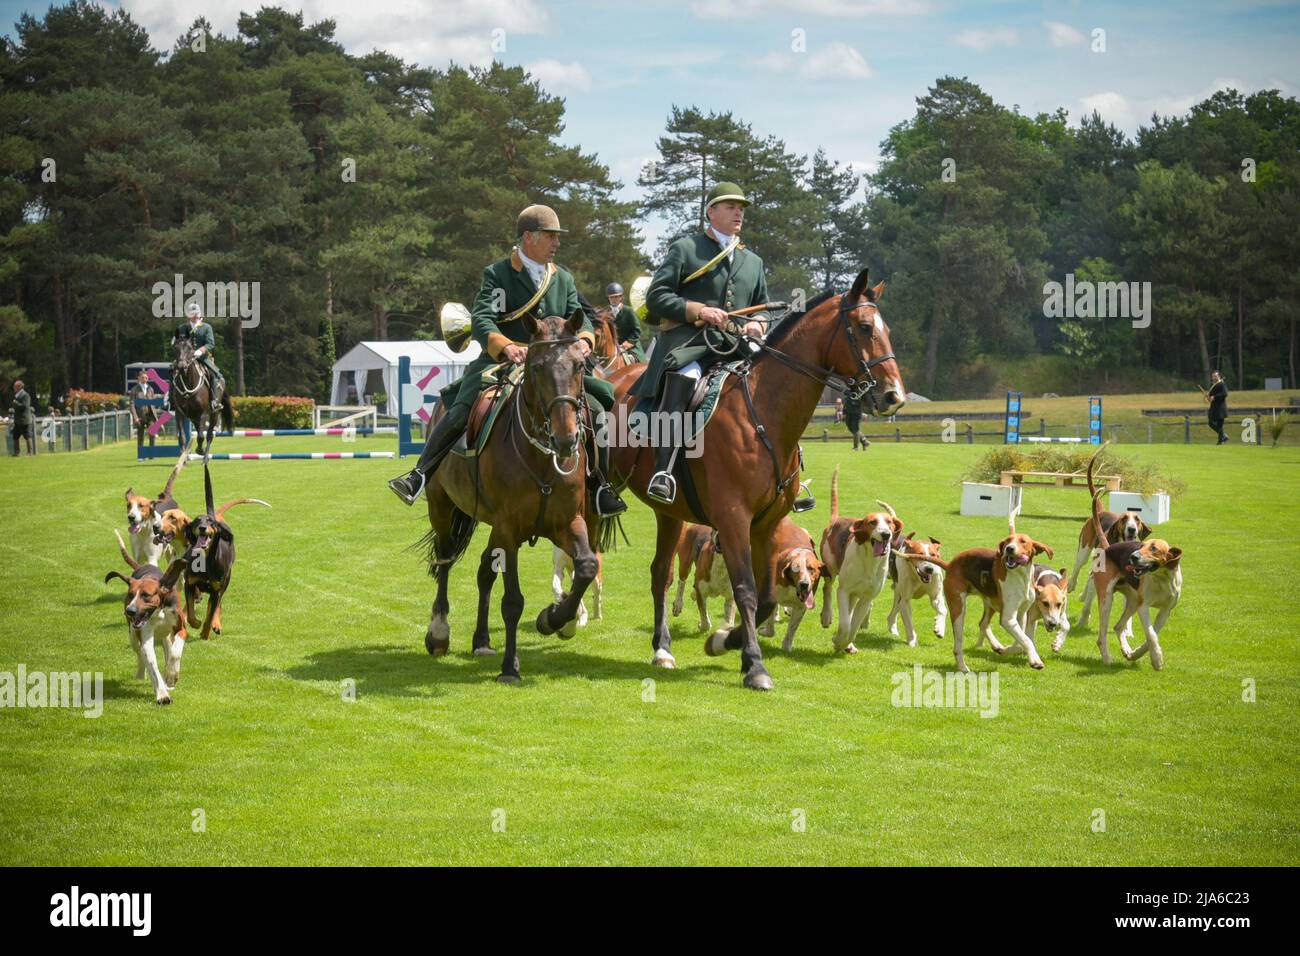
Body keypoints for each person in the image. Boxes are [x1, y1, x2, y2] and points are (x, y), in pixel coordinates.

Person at [387, 204, 627, 516]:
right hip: (503, 360)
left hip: (553, 363)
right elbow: (483, 320)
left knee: (598, 406)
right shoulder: (498, 274)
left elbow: (578, 319)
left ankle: (598, 487)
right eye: (551, 236)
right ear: (529, 237)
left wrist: (584, 339)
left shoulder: (563, 278)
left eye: (557, 237)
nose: (557, 243)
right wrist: (505, 347)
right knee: (461, 408)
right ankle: (420, 474)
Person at [636, 182, 769, 504]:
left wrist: (757, 323)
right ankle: (663, 469)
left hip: (735, 344)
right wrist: (698, 310)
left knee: (776, 380)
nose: (738, 212)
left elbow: (762, 306)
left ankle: (787, 471)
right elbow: (656, 297)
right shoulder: (686, 249)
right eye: (730, 206)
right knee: (686, 377)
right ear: (711, 212)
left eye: (741, 208)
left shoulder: (753, 261)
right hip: (691, 341)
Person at [168, 302, 224, 414]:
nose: (195, 316)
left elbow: (210, 344)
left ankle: (214, 401)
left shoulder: (206, 327)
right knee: (171, 371)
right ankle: (171, 401)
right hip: (184, 358)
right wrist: (174, 343)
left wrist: (200, 351)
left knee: (214, 374)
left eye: (197, 314)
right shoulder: (182, 328)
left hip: (202, 358)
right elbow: (176, 341)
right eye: (192, 314)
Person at [605, 282, 645, 362]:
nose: (613, 300)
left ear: (621, 297)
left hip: (631, 348)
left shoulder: (628, 311)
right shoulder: (606, 312)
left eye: (616, 297)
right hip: (612, 349)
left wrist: (625, 345)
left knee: (633, 363)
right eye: (611, 297)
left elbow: (637, 331)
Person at [129, 370, 158, 449]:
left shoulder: (150, 389)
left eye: (146, 378)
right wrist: (135, 417)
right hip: (140, 416)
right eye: (143, 377)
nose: (145, 379)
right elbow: (132, 404)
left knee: (152, 435)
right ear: (138, 378)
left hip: (150, 416)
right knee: (140, 436)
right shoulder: (134, 389)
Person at [9, 379, 34, 455]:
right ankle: (17, 453)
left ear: (19, 387)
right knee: (15, 436)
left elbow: (25, 406)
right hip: (17, 420)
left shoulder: (25, 395)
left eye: (15, 386)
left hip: (24, 420)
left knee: (27, 436)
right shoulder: (17, 395)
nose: (13, 387)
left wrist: (16, 403)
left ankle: (30, 452)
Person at [1206, 370, 1229, 444]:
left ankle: (1221, 440)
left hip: (1220, 408)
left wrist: (1214, 397)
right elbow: (1211, 396)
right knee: (1211, 423)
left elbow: (1225, 393)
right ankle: (1223, 437)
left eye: (1215, 376)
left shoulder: (1221, 384)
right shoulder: (1214, 385)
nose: (1214, 377)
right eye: (1213, 376)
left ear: (1219, 376)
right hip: (1214, 407)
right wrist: (1209, 397)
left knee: (1219, 424)